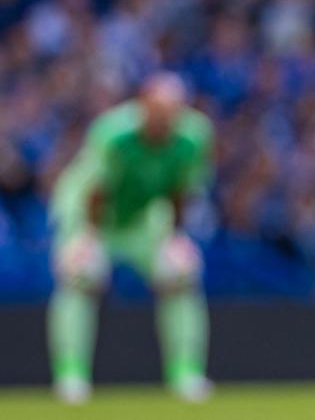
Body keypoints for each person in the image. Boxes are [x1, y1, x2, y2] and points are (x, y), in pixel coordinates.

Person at [47, 72, 213, 404]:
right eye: (156, 111)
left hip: (141, 218)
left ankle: (185, 372)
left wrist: (175, 236)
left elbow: (180, 189)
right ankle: (71, 374)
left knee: (180, 272)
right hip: (88, 214)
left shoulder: (195, 136)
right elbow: (96, 191)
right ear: (142, 106)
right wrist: (86, 239)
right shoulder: (113, 132)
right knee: (81, 275)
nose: (162, 120)